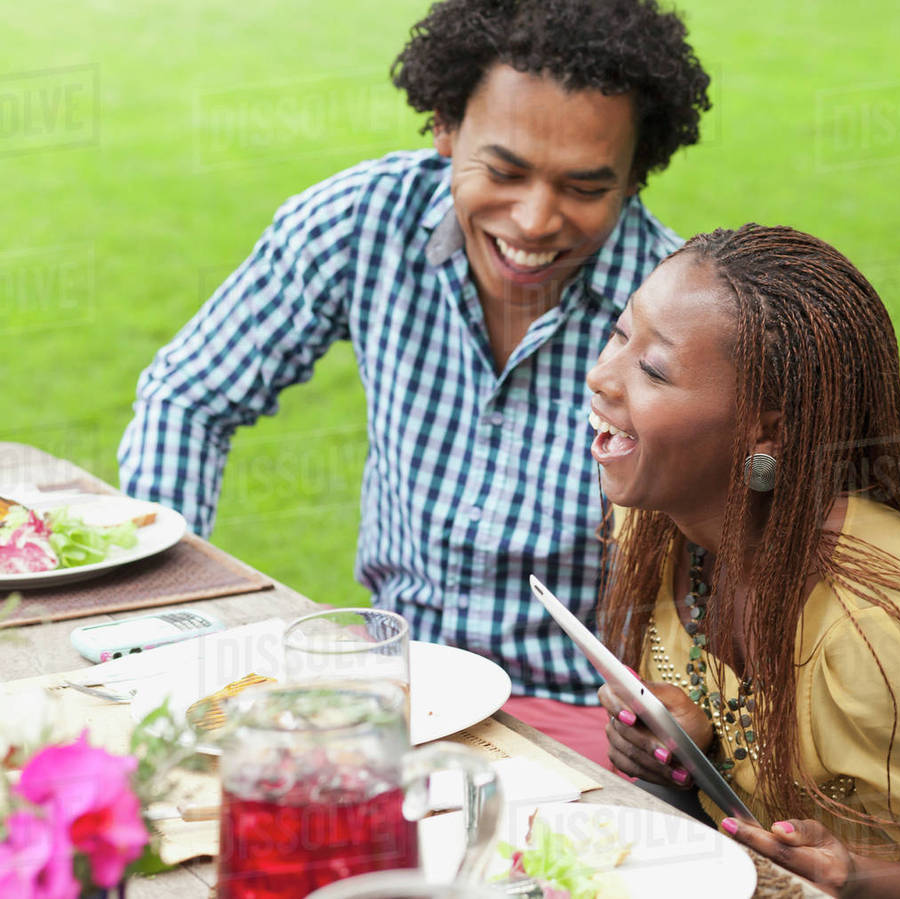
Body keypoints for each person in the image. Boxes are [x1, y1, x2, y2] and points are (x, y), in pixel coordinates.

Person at [117, 0, 710, 766]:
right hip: (383, 687)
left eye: (584, 187)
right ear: (444, 126)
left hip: (582, 725)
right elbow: (188, 395)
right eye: (503, 170)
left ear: (636, 176)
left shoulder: (675, 317)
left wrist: (687, 705)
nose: (533, 221)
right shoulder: (362, 222)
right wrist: (172, 615)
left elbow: (733, 556)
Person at [589, 225, 900, 897]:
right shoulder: (655, 515)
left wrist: (853, 879)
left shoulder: (886, 626)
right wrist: (682, 746)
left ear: (767, 430)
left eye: (653, 370)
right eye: (619, 334)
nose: (601, 376)